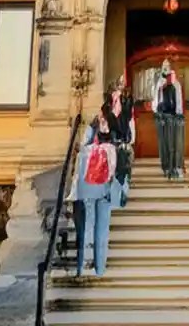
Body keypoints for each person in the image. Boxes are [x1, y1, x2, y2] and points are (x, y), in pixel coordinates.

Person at [67, 114, 119, 277]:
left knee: (87, 229)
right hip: (104, 191)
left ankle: (85, 266)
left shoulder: (85, 151)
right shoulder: (111, 149)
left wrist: (72, 196)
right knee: (102, 230)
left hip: (87, 191)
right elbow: (112, 171)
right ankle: (100, 268)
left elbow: (77, 176)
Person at [102, 75, 135, 207]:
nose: (117, 93)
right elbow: (104, 122)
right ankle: (113, 195)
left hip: (123, 139)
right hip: (111, 140)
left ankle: (122, 194)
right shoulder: (107, 107)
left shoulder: (126, 104)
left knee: (123, 168)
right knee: (113, 169)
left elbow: (128, 118)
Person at [153, 59, 185, 180]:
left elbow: (179, 100)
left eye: (167, 66)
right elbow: (156, 99)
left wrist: (179, 114)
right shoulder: (160, 85)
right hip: (163, 117)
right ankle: (166, 166)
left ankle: (175, 167)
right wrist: (157, 112)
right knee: (164, 143)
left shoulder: (176, 84)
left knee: (174, 144)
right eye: (164, 66)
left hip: (173, 118)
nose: (165, 69)